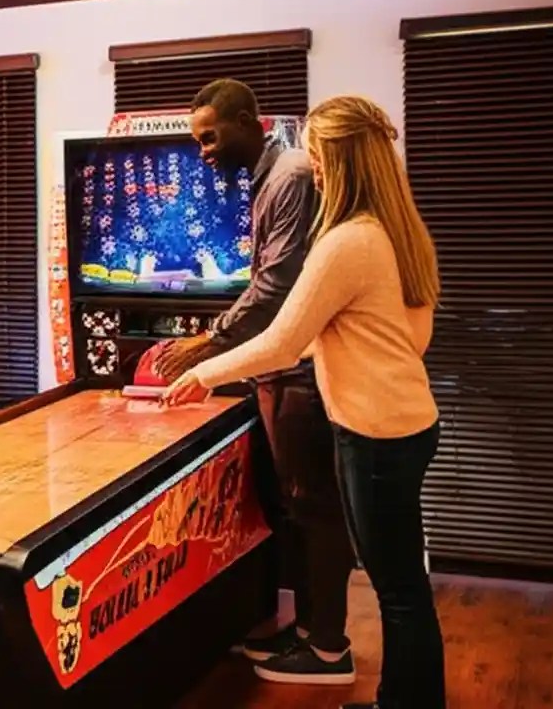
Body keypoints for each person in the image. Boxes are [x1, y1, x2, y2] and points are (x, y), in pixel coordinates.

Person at [162, 94, 445, 709]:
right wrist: (340, 344)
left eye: (316, 156)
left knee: (398, 592)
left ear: (339, 160)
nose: (308, 168)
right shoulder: (400, 231)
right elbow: (408, 337)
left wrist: (204, 372)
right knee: (405, 586)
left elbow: (282, 340)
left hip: (374, 436)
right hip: (412, 426)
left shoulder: (347, 243)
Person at [153, 78, 357, 685]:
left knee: (315, 509)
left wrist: (209, 341)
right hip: (280, 371)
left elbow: (276, 288)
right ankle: (308, 633)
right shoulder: (274, 178)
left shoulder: (290, 175)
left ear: (249, 120)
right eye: (197, 140)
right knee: (298, 506)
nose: (203, 151)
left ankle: (327, 650)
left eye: (209, 136)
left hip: (299, 375)